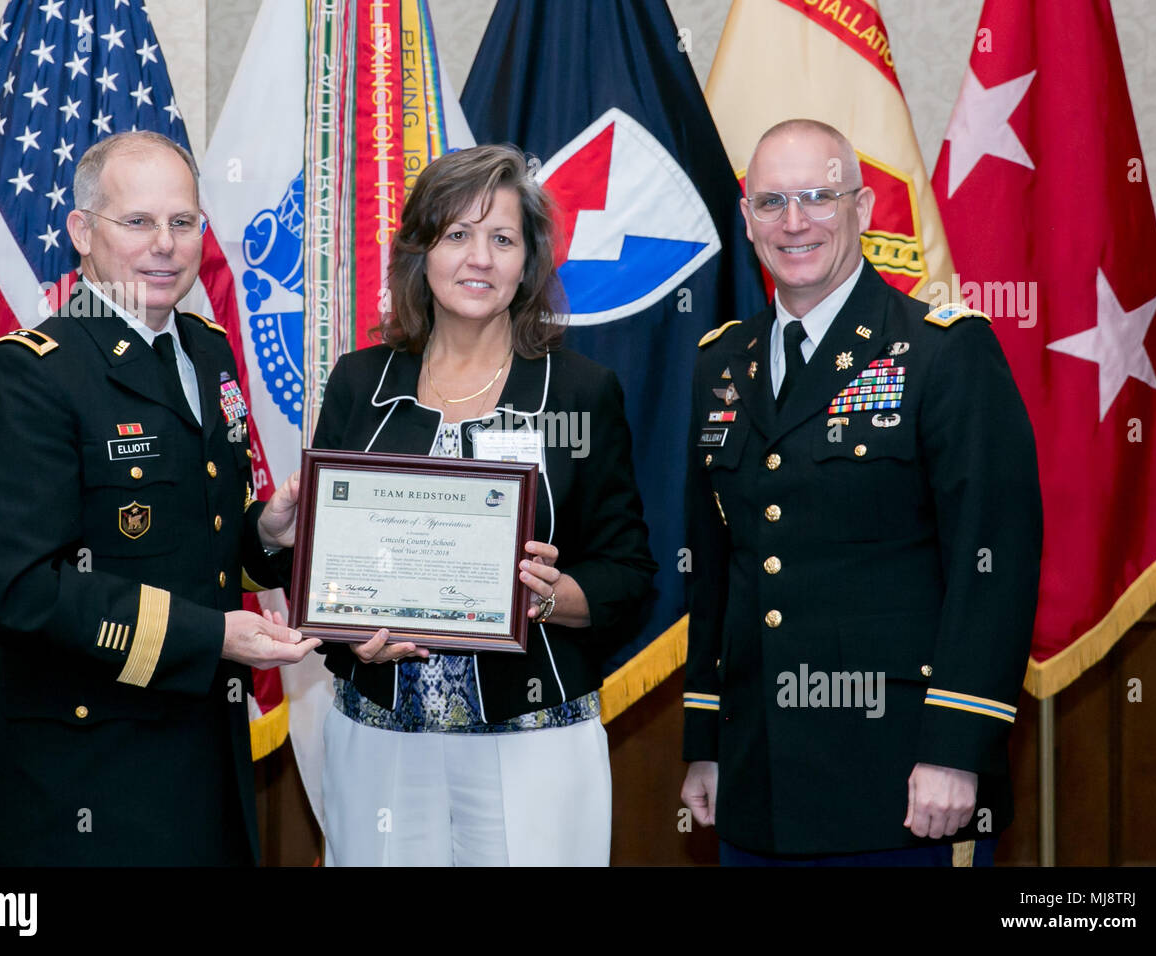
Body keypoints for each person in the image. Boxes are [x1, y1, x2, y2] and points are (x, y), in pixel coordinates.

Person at [680, 119, 1043, 865]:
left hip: (903, 785)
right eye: (773, 202)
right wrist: (705, 739)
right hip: (756, 782)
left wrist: (957, 748)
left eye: (819, 196)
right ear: (746, 219)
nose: (795, 221)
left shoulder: (943, 351)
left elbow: (994, 565)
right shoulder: (721, 364)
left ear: (864, 207)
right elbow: (719, 571)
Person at [0, 131, 317, 866]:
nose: (166, 245)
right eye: (139, 222)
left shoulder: (205, 350)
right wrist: (213, 637)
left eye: (184, 223)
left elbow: (196, 542)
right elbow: (22, 591)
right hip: (88, 785)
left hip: (207, 762)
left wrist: (267, 536)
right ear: (83, 232)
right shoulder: (29, 376)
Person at [310, 143, 656, 866]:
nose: (479, 259)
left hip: (536, 736)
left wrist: (557, 596)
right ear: (420, 253)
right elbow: (315, 557)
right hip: (379, 733)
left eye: (502, 239)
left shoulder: (580, 393)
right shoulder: (358, 383)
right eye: (456, 235)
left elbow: (629, 572)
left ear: (529, 262)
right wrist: (347, 632)